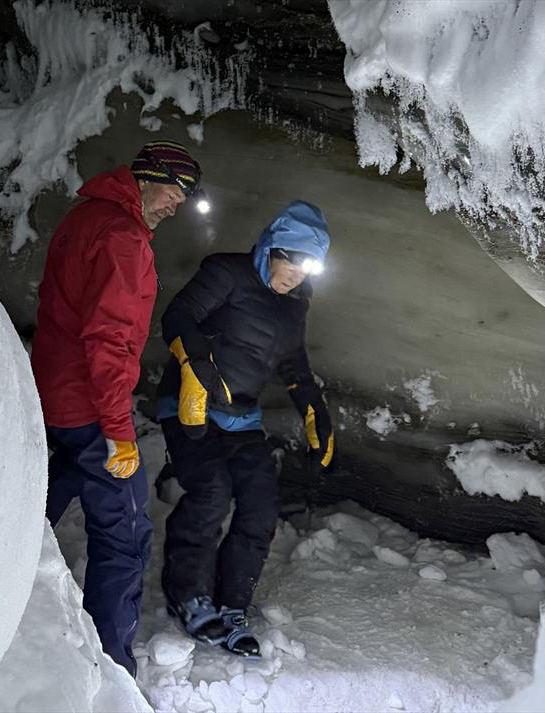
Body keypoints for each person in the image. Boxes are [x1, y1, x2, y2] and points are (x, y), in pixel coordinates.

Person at [30, 140, 202, 676]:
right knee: (125, 535)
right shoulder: (124, 238)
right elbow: (109, 339)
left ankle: (12, 597)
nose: (177, 204)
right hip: (88, 405)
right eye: (174, 190)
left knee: (41, 504)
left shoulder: (87, 217)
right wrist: (117, 428)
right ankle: (109, 665)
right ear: (148, 178)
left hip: (56, 393)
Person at [156, 200, 335, 658]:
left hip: (243, 418)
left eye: (306, 265)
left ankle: (233, 603)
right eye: (290, 258)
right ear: (271, 246)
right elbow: (179, 316)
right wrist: (194, 367)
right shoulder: (227, 273)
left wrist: (313, 408)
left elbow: (293, 364)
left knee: (260, 505)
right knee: (211, 493)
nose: (295, 273)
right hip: (190, 408)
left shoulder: (295, 304)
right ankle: (188, 595)